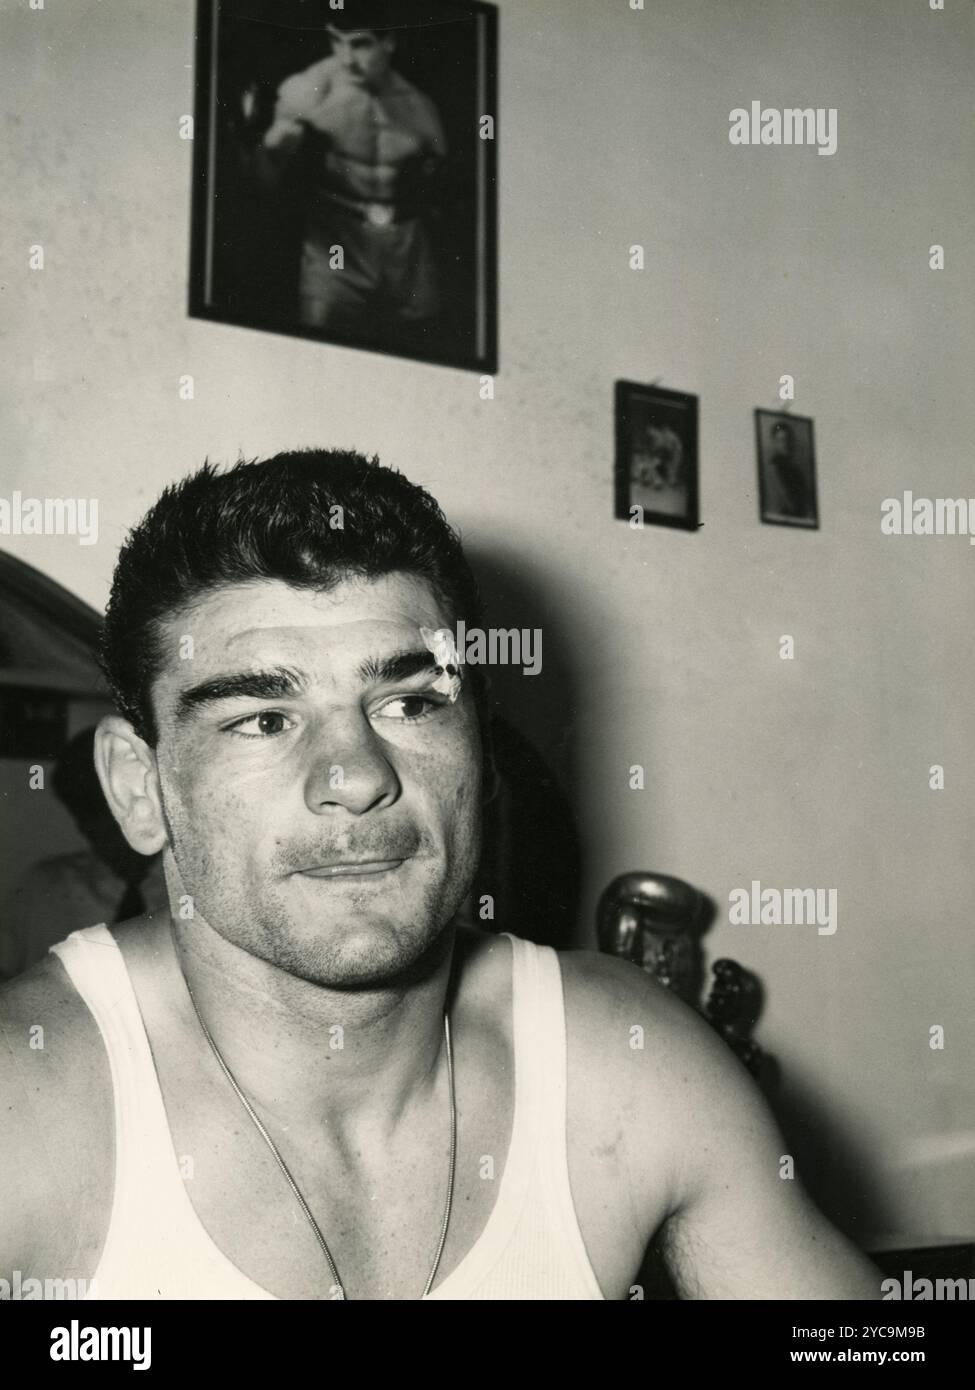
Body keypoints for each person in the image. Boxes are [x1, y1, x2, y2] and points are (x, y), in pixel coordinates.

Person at [0, 450, 880, 1300]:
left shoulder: (632, 1070)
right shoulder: (27, 1116)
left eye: (410, 703)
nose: (356, 775)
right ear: (138, 787)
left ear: (478, 752)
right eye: (264, 719)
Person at [259, 9, 447, 336]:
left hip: (406, 247)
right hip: (336, 242)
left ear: (389, 43)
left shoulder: (421, 107)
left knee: (420, 349)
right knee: (322, 344)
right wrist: (273, 150)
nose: (346, 58)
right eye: (335, 41)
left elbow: (445, 185)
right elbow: (261, 180)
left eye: (361, 44)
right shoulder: (308, 91)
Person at [0, 727, 167, 980]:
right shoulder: (43, 888)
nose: (103, 828)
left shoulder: (192, 892)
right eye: (87, 813)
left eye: (107, 810)